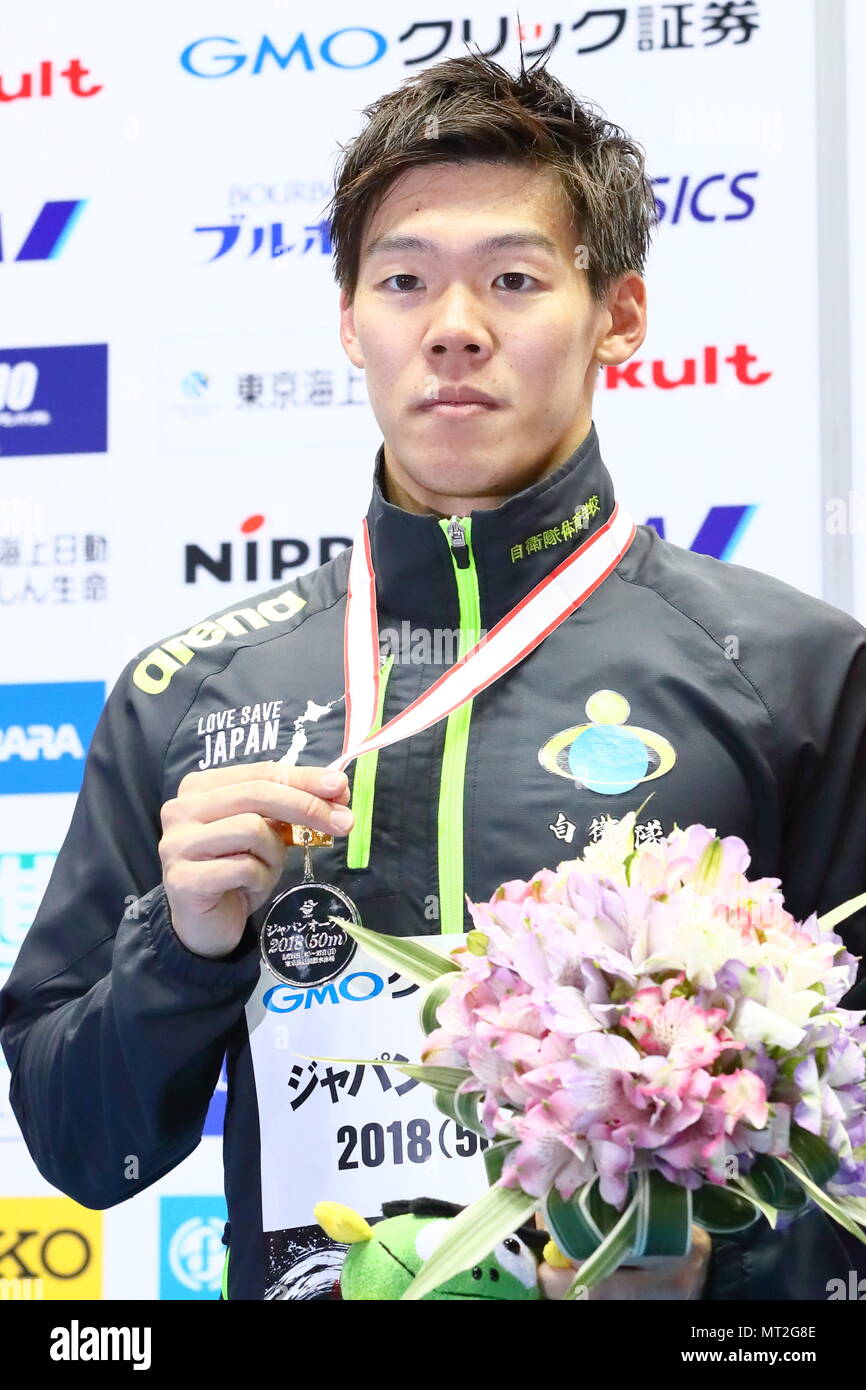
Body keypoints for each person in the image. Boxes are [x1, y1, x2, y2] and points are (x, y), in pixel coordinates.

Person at [2, 49, 866, 1303]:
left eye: (512, 279)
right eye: (403, 279)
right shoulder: (186, 694)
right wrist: (179, 954)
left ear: (618, 313)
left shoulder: (793, 673)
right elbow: (81, 1149)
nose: (453, 326)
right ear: (349, 318)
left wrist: (707, 1280)